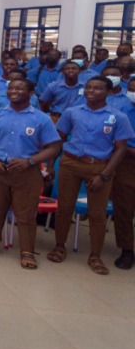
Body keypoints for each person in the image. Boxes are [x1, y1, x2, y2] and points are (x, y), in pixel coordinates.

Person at [48, 76, 135, 275]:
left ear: (108, 91)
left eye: (97, 88)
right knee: (64, 208)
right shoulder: (72, 112)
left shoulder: (117, 116)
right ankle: (60, 246)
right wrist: (50, 165)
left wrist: (104, 175)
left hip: (100, 166)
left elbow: (121, 149)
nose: (91, 91)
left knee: (97, 214)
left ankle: (95, 255)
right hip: (70, 163)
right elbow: (58, 140)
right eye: (88, 87)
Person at [0, 79, 63, 268]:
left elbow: (55, 146)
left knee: (25, 215)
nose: (14, 91)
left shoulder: (41, 118)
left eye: (20, 88)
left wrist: (31, 161)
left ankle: (27, 252)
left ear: (31, 93)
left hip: (27, 173)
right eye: (11, 88)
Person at [111, 78, 135, 269]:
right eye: (131, 89)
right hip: (126, 161)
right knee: (124, 207)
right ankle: (127, 250)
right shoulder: (123, 111)